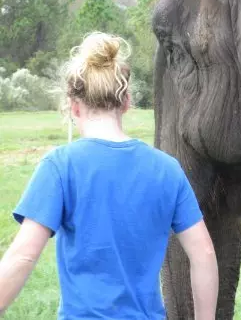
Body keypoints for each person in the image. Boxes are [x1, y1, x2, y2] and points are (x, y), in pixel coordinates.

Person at [0, 32, 219, 319]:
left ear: (74, 106)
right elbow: (204, 255)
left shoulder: (60, 166)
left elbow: (23, 255)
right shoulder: (167, 169)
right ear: (126, 102)